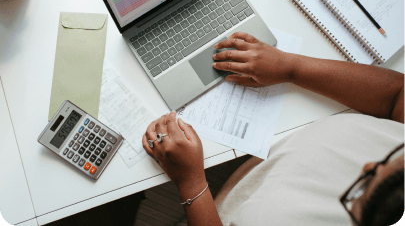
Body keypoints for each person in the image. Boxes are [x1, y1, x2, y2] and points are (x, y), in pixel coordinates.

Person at [142, 32, 404, 226]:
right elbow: (399, 96)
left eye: (363, 188)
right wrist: (291, 67)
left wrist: (192, 184)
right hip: (262, 160)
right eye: (398, 157)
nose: (368, 165)